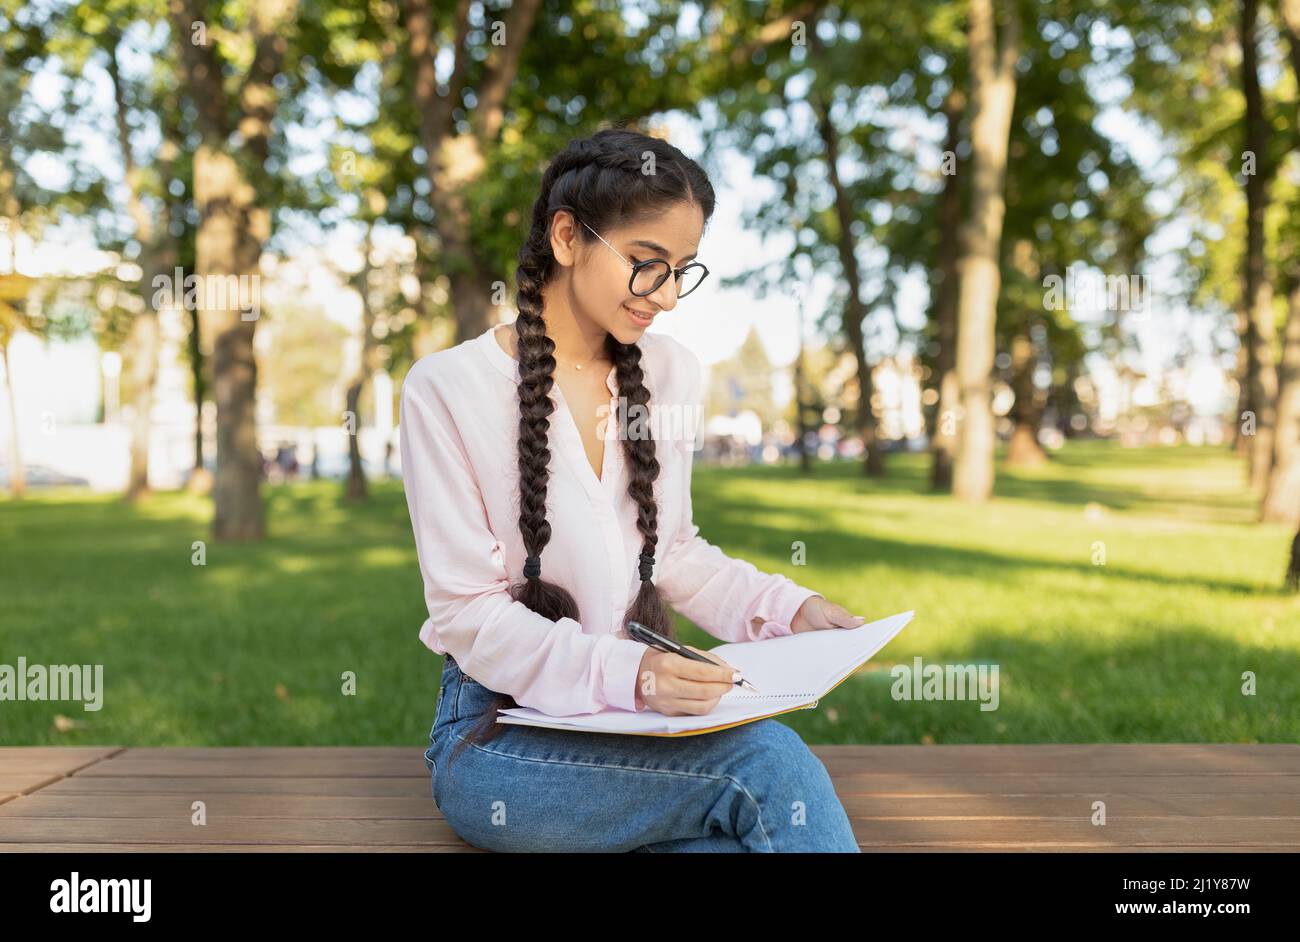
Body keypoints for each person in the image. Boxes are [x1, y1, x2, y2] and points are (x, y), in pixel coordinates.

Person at [399, 126, 866, 853]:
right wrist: (635, 674)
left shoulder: (672, 371)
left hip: (637, 733)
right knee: (766, 765)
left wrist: (789, 610)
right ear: (565, 237)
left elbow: (672, 553)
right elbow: (467, 614)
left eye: (684, 270)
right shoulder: (447, 387)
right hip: (498, 742)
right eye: (648, 265)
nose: (670, 296)